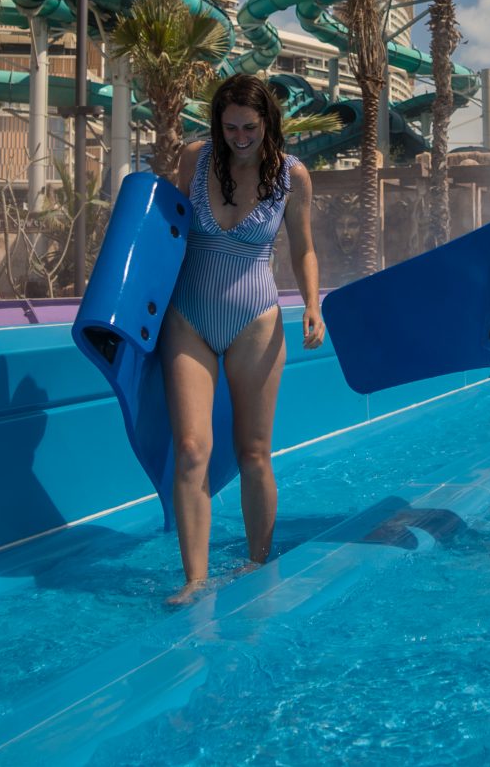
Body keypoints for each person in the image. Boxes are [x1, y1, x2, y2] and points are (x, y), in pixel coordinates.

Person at [159, 72, 323, 602]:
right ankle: (195, 578)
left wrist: (313, 305)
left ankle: (257, 565)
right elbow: (162, 231)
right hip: (189, 317)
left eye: (249, 126)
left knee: (253, 453)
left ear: (268, 122)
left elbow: (303, 248)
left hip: (256, 319)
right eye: (229, 126)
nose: (239, 136)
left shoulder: (291, 175)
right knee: (189, 450)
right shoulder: (196, 159)